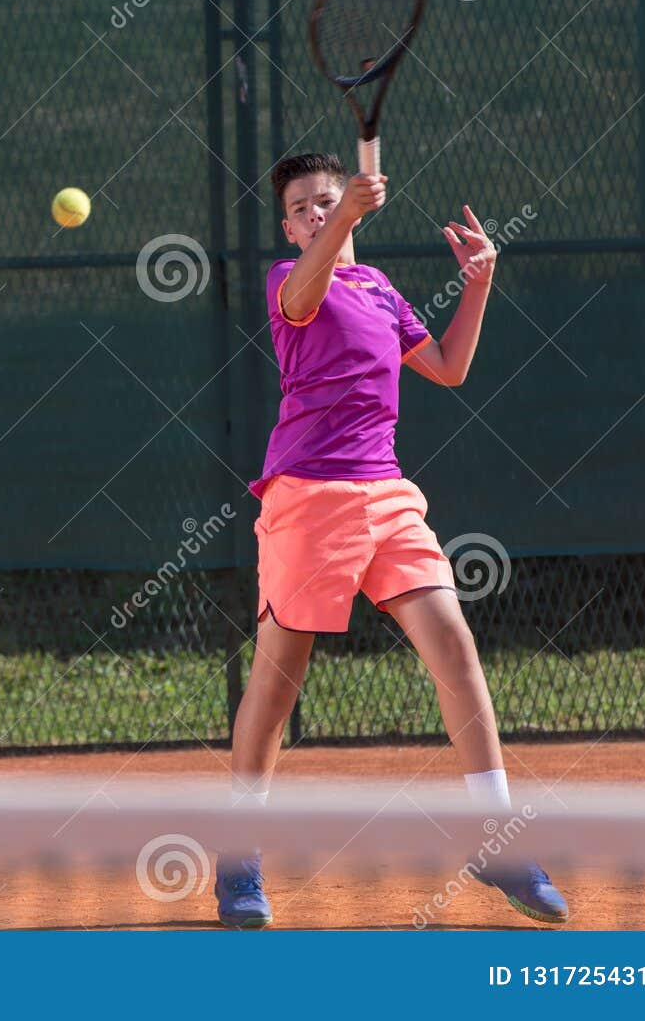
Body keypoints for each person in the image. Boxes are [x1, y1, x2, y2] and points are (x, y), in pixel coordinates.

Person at [213, 152, 569, 929]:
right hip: (308, 494)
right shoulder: (288, 280)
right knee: (278, 683)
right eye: (303, 206)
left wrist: (478, 284)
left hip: (389, 495)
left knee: (454, 643)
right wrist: (343, 221)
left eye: (326, 201)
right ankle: (239, 856)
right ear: (288, 224)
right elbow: (306, 290)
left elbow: (447, 368)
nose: (314, 212)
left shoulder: (378, 289)